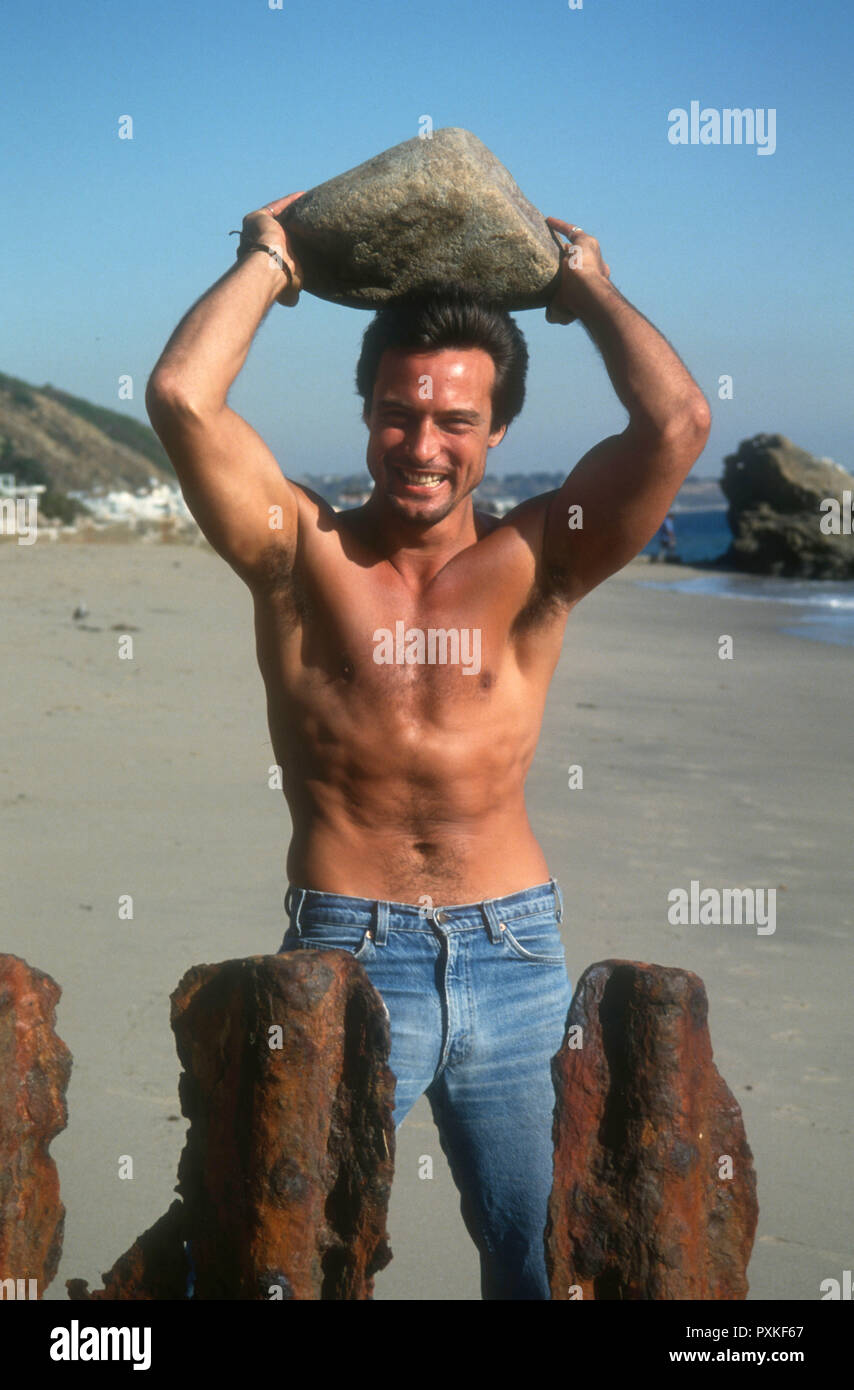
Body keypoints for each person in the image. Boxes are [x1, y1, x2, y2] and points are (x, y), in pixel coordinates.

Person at [145, 192, 710, 1300]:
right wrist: (273, 259)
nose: (423, 442)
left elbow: (675, 424)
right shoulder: (299, 554)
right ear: (365, 412)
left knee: (540, 1261)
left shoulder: (536, 559)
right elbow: (181, 395)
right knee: (287, 1264)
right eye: (400, 411)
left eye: (457, 420)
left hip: (514, 958)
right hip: (346, 956)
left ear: (495, 432)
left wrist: (581, 287)